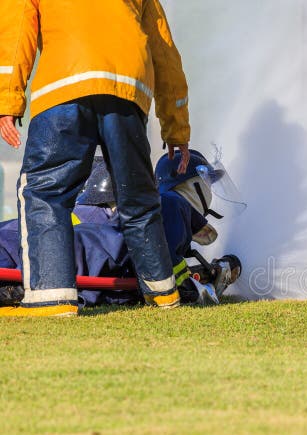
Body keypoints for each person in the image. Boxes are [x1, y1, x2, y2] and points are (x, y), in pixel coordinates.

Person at [0, 0, 191, 317]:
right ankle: (163, 296)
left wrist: (8, 100)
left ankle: (52, 298)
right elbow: (165, 52)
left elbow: (16, 33)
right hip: (128, 89)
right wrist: (177, 127)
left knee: (44, 192)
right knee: (139, 199)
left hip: (64, 84)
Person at [0, 154, 241, 307]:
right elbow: (163, 268)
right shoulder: (170, 203)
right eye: (208, 182)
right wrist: (195, 287)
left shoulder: (153, 215)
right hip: (48, 259)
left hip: (58, 265)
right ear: (193, 184)